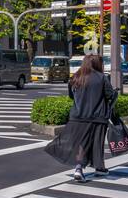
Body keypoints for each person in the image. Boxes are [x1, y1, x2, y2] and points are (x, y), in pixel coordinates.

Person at [44, 53, 117, 182]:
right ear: (97, 64)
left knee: (81, 143)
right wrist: (115, 93)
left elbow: (72, 96)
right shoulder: (101, 78)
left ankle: (80, 168)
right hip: (97, 117)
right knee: (96, 143)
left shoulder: (76, 77)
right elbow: (110, 95)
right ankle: (98, 168)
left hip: (77, 116)